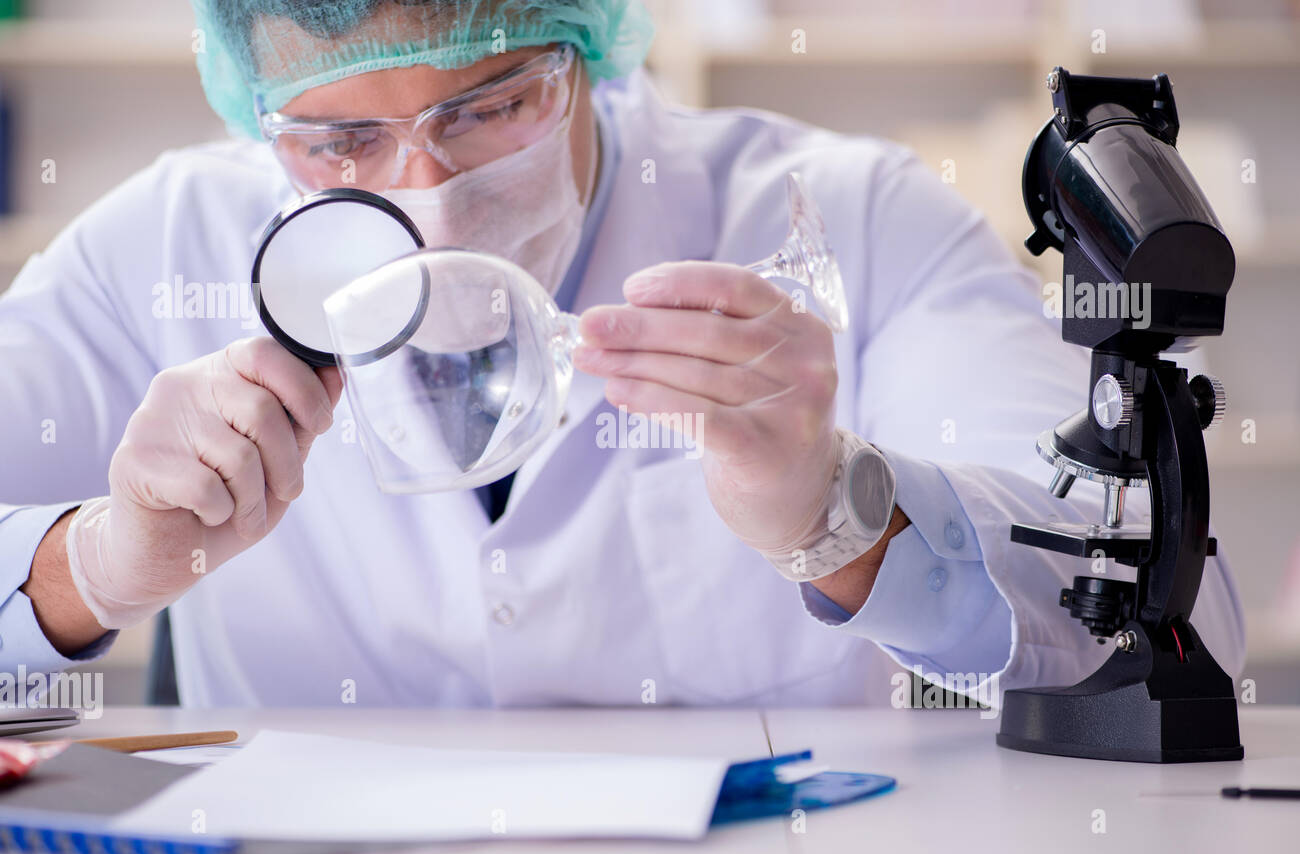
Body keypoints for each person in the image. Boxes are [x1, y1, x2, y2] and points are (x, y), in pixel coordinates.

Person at [0, 0, 1243, 707]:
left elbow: (1180, 635)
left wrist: (840, 514)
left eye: (490, 104)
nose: (421, 185)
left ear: (579, 48)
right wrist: (91, 569)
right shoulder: (160, 244)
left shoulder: (851, 218)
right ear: (256, 114)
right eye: (337, 143)